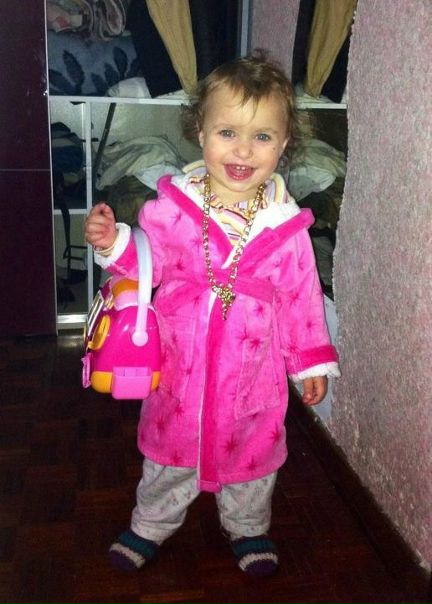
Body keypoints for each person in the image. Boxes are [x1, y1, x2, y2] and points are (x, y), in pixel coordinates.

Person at [85, 51, 340, 577]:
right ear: (201, 132)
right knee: (168, 452)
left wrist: (309, 363)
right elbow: (147, 263)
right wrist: (114, 244)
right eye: (227, 132)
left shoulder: (286, 227)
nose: (243, 150)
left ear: (283, 144)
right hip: (181, 364)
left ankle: (247, 526)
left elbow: (301, 299)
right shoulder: (172, 208)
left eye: (262, 136)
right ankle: (151, 523)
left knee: (252, 458)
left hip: (252, 372)